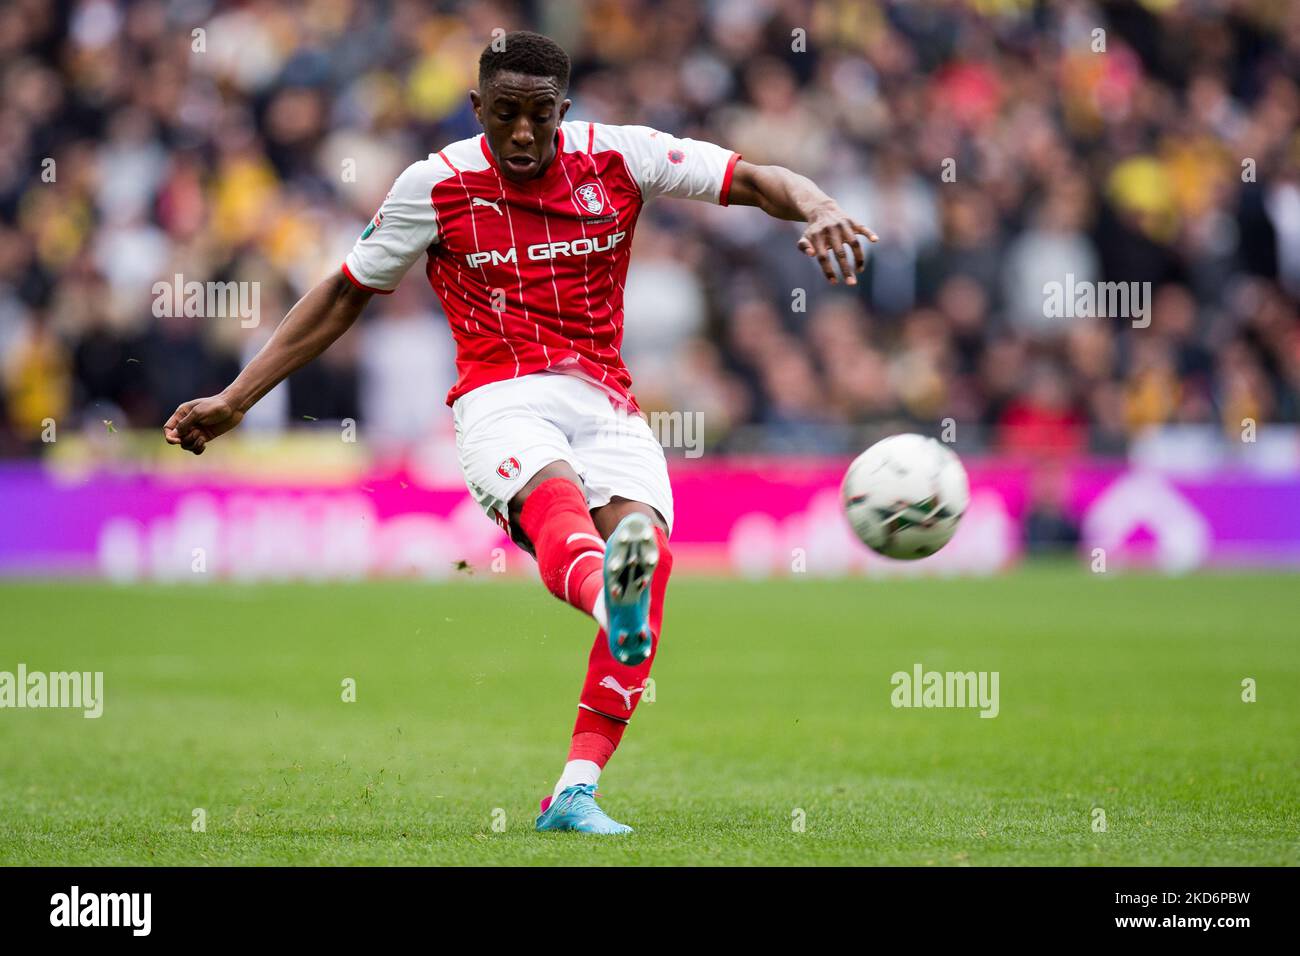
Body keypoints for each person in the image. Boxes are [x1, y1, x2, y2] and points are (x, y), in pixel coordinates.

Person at [164, 31, 877, 834]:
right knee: (560, 509)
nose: (525, 134)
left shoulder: (623, 156)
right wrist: (236, 400)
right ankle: (615, 603)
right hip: (500, 395)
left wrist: (817, 203)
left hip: (606, 402)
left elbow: (749, 179)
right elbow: (342, 295)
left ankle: (575, 789)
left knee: (653, 553)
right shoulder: (434, 185)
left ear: (564, 111)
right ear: (477, 110)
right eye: (506, 115)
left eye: (541, 116)